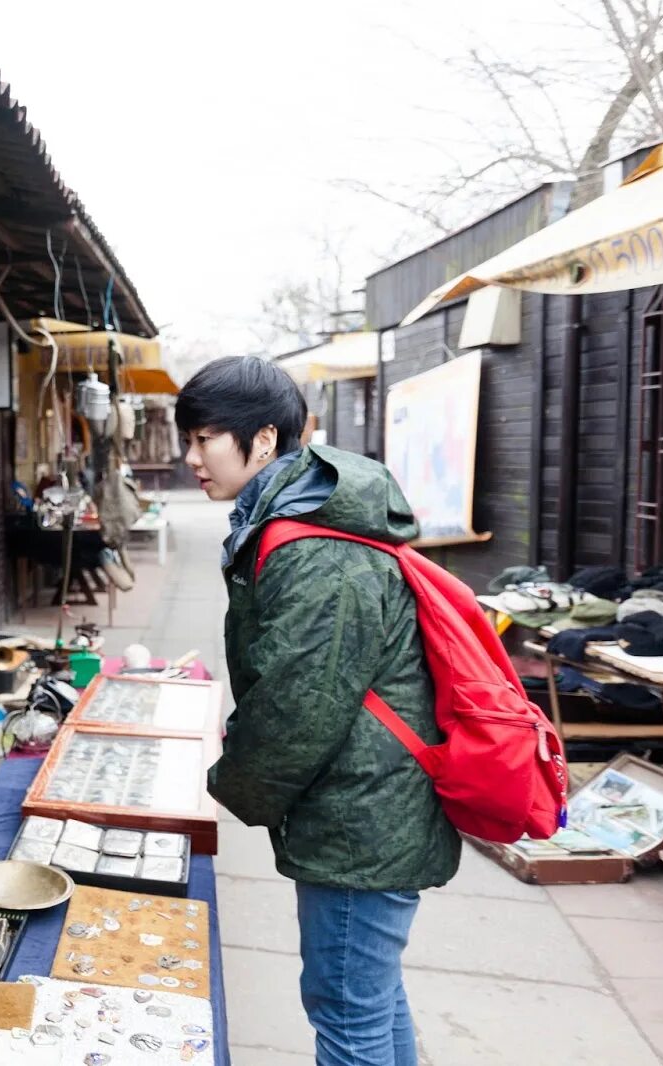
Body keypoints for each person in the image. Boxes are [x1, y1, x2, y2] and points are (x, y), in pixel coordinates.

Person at [176, 355, 459, 1066]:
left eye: (204, 438)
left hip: (361, 818)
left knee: (346, 1013)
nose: (191, 458)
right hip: (368, 803)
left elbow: (298, 707)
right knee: (368, 998)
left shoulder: (314, 545)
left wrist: (226, 785)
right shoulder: (298, 517)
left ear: (263, 440)